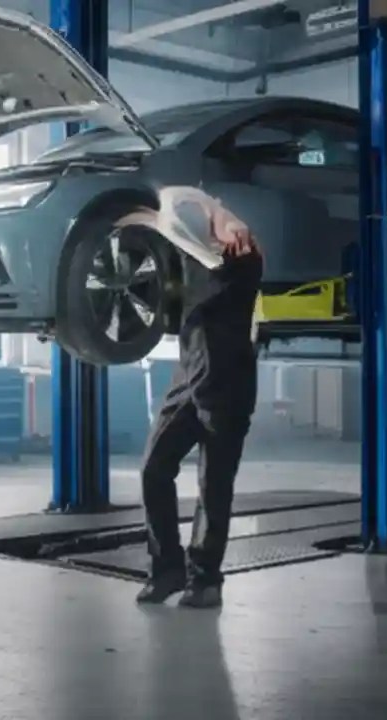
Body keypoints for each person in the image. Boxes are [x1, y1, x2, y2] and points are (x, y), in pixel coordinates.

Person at [136, 196, 263, 609]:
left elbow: (225, 220)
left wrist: (228, 224)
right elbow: (170, 211)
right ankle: (167, 569)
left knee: (214, 485)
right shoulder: (185, 253)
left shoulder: (241, 259)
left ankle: (205, 580)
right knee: (154, 468)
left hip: (228, 380)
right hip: (187, 376)